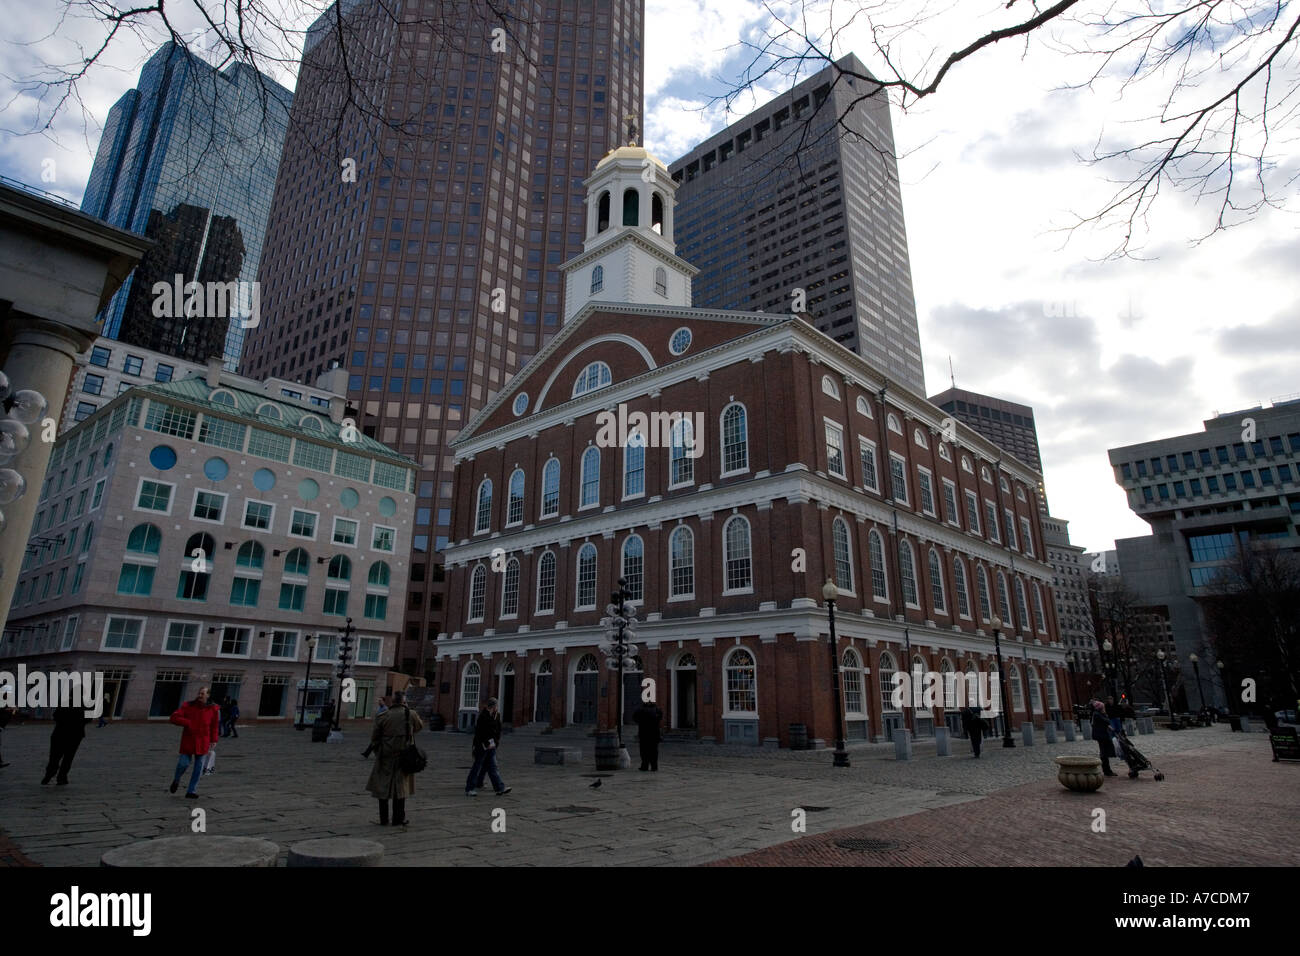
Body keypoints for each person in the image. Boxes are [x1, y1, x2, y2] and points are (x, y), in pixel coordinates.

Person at [365, 690, 424, 825]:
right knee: (401, 788)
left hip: (386, 756)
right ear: (404, 701)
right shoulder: (411, 714)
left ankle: (383, 819)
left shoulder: (383, 716)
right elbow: (419, 726)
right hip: (404, 756)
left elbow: (374, 738)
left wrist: (379, 751)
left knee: (382, 788)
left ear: (392, 702)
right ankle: (398, 819)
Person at [169, 687, 219, 798]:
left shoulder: (213, 709)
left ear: (208, 695)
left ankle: (191, 790)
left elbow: (214, 726)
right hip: (189, 739)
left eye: (203, 693)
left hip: (203, 741)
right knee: (183, 764)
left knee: (199, 767)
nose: (200, 695)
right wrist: (188, 723)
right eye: (199, 693)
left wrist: (214, 739)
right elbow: (173, 717)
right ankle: (176, 779)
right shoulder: (188, 706)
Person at [465, 698, 511, 796]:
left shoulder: (496, 716)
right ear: (493, 706)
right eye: (496, 706)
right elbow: (479, 733)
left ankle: (499, 788)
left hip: (492, 746)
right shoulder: (483, 716)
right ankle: (469, 788)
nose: (497, 708)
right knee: (477, 767)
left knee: (493, 767)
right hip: (482, 746)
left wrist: (496, 742)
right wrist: (485, 743)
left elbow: (498, 730)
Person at [43, 704, 88, 785]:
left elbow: (56, 715)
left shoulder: (65, 702)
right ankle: (61, 777)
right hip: (75, 734)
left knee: (54, 756)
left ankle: (49, 774)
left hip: (60, 732)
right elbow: (88, 718)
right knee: (68, 757)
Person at [632, 699, 664, 771]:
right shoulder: (657, 709)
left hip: (644, 733)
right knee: (654, 751)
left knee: (644, 750)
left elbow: (635, 717)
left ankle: (644, 766)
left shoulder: (641, 709)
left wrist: (640, 722)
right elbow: (660, 718)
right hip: (654, 734)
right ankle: (654, 766)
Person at [1091, 699, 1118, 777]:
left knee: (1105, 753)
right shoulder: (1097, 714)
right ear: (1100, 708)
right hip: (1101, 736)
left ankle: (1107, 770)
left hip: (1102, 735)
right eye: (1103, 707)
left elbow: (1105, 723)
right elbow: (1107, 721)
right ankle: (1107, 771)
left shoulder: (1098, 714)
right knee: (1104, 753)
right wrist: (1105, 715)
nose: (1104, 708)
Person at [203, 694, 222, 775]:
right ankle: (207, 768)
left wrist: (214, 739)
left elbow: (216, 724)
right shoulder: (212, 709)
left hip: (209, 734)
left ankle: (207, 768)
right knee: (207, 752)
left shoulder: (214, 709)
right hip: (206, 733)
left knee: (207, 752)